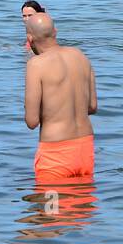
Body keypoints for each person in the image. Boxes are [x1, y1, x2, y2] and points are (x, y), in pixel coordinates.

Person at [24, 13, 97, 182]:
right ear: (55, 32)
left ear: (30, 38)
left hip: (55, 153)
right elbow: (92, 107)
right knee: (81, 206)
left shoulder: (36, 65)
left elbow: (32, 121)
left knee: (50, 208)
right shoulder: (80, 56)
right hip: (85, 147)